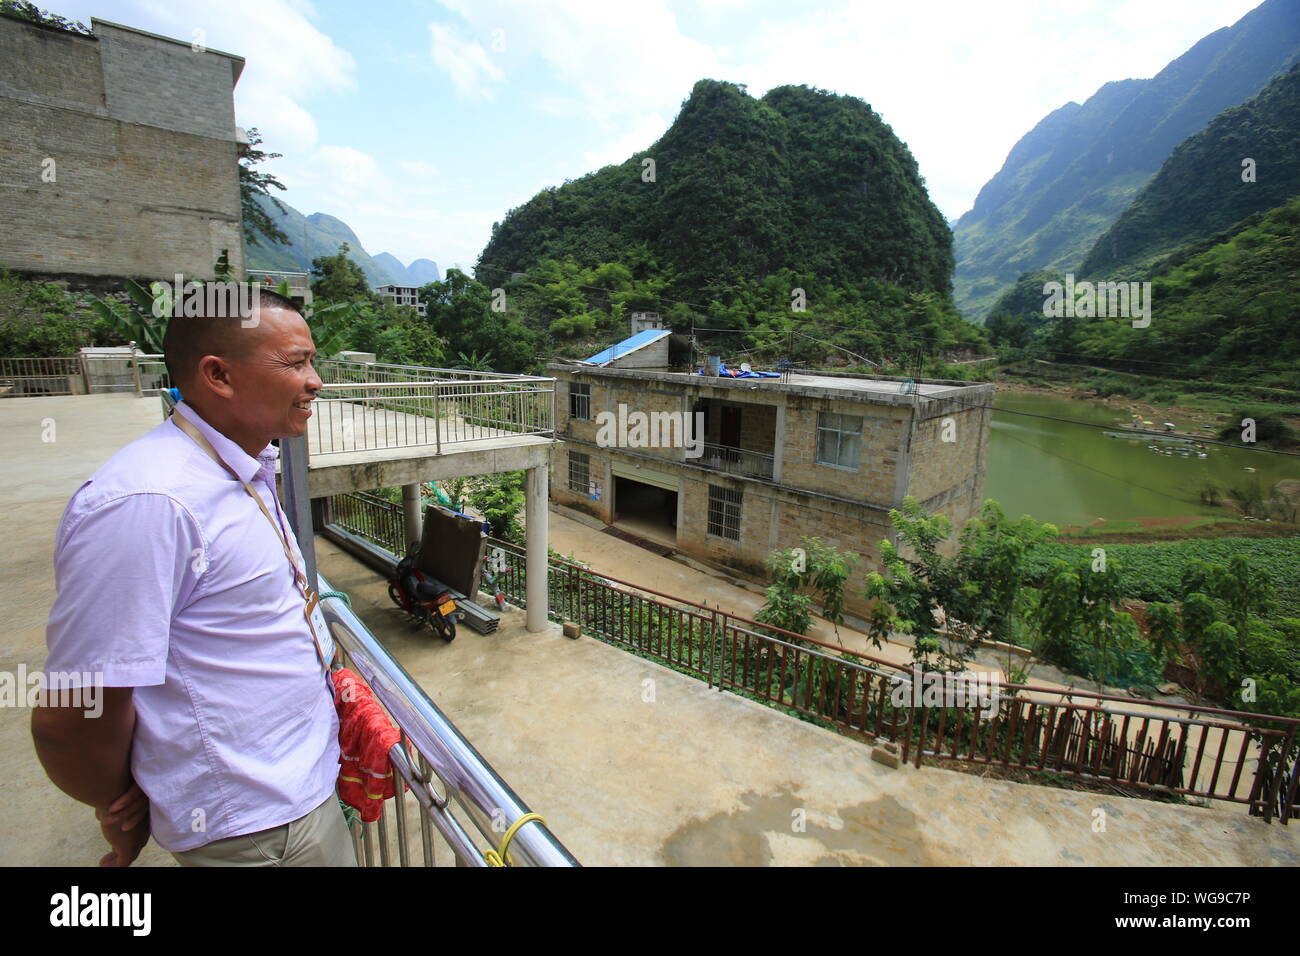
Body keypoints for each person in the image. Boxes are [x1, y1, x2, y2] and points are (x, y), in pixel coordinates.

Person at [32, 288, 355, 867]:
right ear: (218, 376)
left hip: (295, 788)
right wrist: (117, 800)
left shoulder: (245, 463)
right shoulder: (151, 503)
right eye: (295, 362)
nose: (315, 381)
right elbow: (74, 712)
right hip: (259, 826)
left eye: (312, 361)